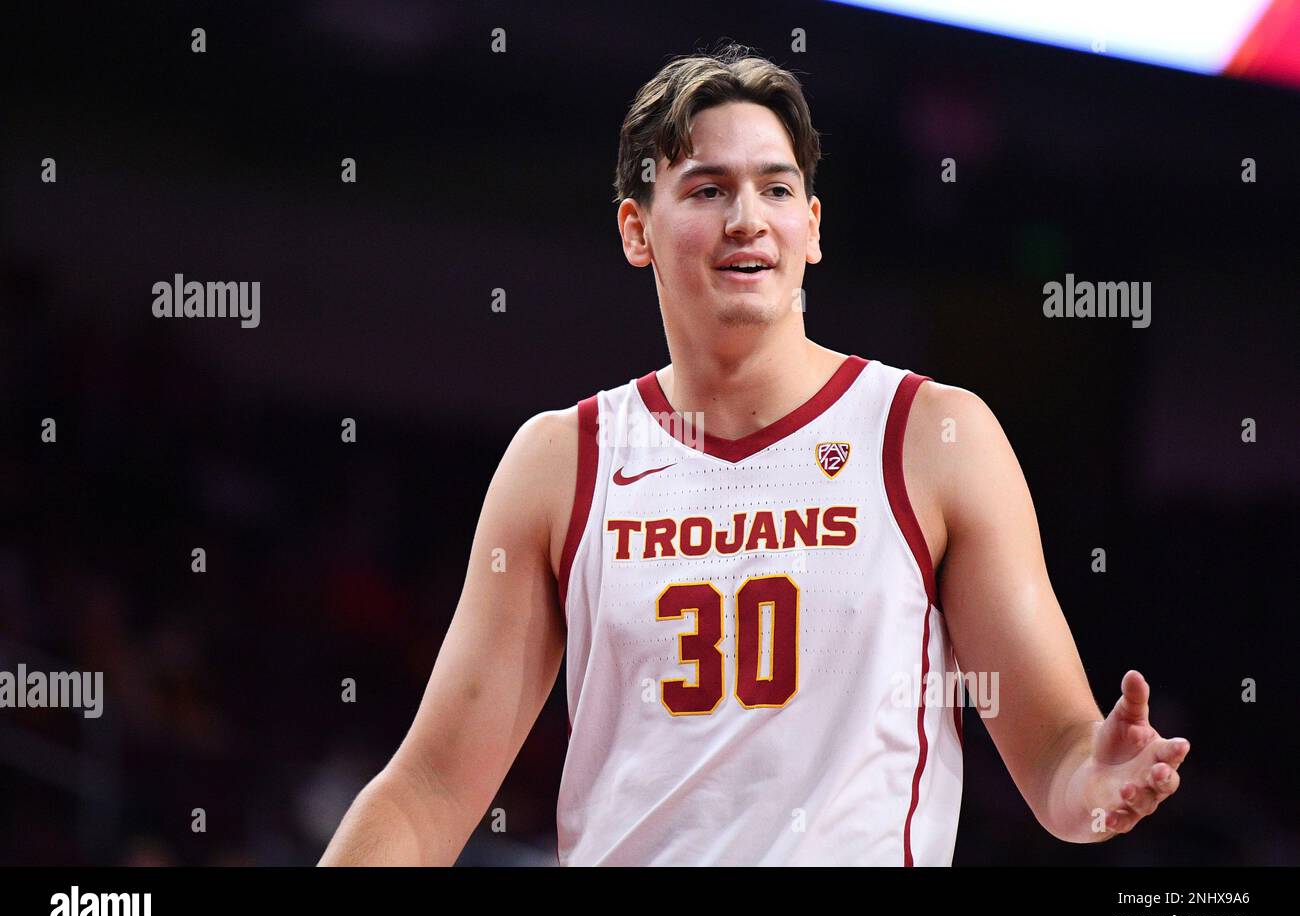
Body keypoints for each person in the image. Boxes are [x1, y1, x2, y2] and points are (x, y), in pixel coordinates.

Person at [319, 42, 1189, 866]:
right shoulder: (563, 461)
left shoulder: (933, 435)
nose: (747, 220)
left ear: (811, 227)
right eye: (706, 190)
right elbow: (430, 790)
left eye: (776, 190)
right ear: (636, 230)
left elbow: (1056, 759)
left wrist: (1097, 781)